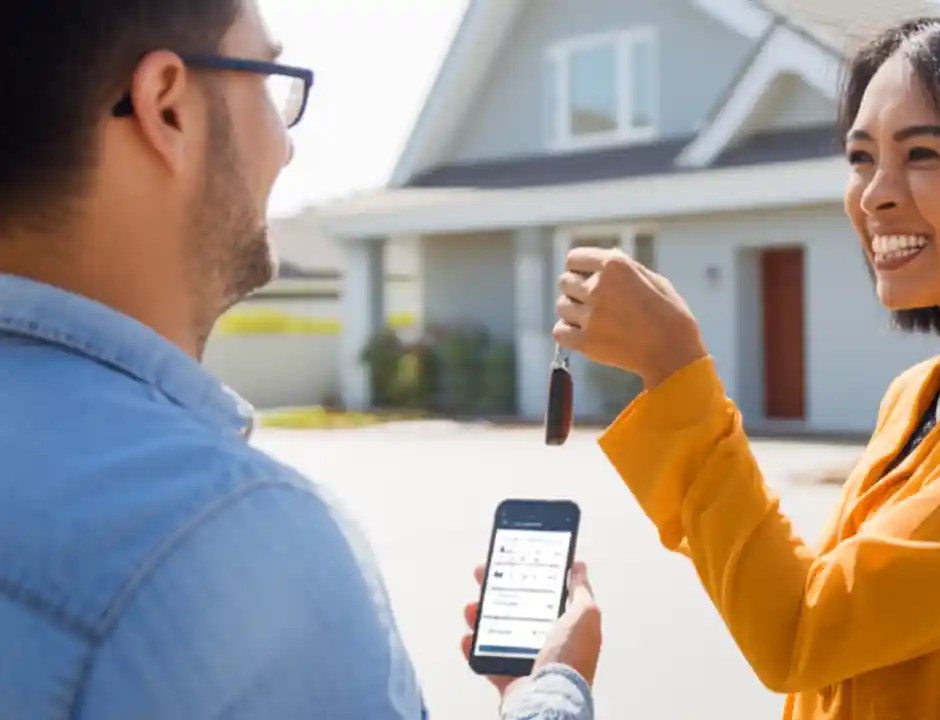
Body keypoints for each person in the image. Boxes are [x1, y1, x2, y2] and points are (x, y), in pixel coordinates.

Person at [554, 10, 940, 720]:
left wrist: (673, 371)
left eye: (923, 154)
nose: (875, 192)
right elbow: (833, 640)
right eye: (860, 157)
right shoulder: (917, 395)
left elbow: (802, 632)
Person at [0, 1, 598, 718]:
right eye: (271, 80)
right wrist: (554, 691)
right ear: (168, 108)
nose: (287, 148)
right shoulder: (227, 545)